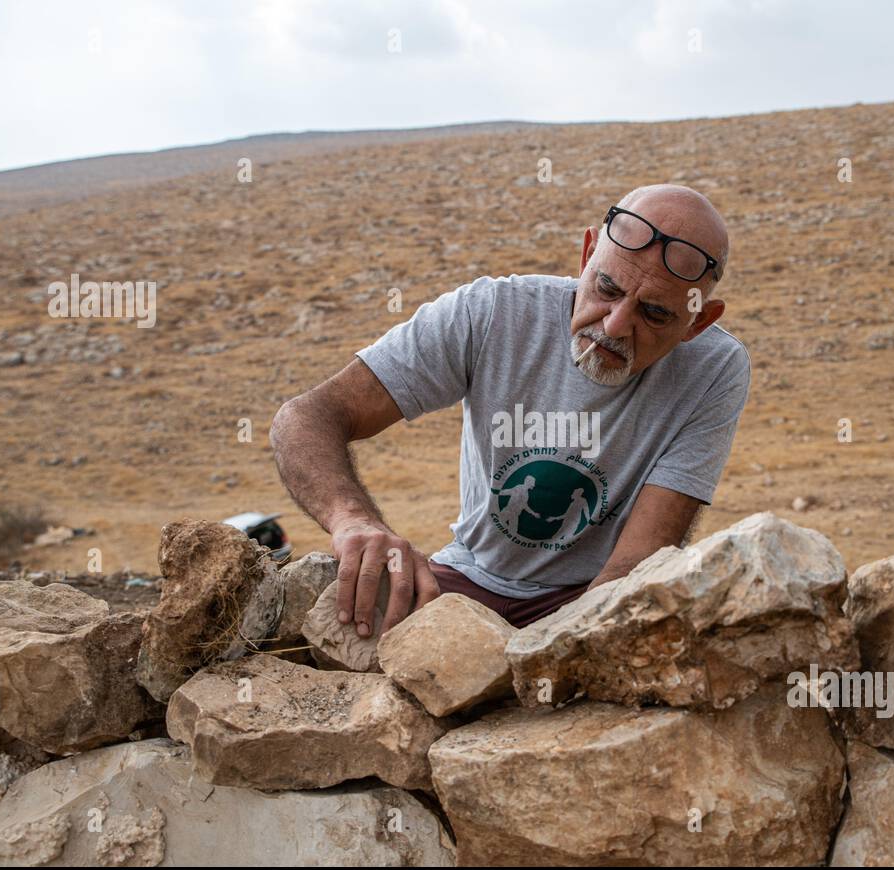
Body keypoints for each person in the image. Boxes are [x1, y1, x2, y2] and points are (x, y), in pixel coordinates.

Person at [270, 183, 750, 632]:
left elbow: (635, 565)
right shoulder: (492, 312)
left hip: (593, 594)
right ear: (586, 256)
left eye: (656, 313)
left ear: (697, 322)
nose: (616, 325)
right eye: (606, 288)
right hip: (467, 578)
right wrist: (354, 521)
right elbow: (308, 416)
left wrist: (559, 649)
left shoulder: (713, 370)